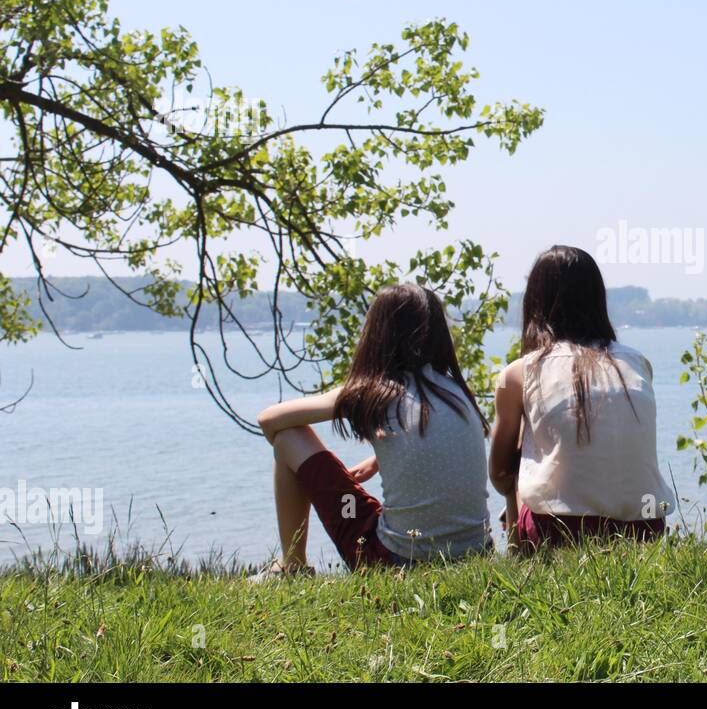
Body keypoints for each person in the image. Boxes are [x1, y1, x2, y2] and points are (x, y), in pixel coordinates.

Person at [254, 283, 491, 576]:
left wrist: (316, 478)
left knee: (287, 437)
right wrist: (381, 460)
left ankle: (292, 565)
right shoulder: (457, 392)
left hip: (393, 560)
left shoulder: (373, 391)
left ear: (377, 334)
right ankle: (293, 564)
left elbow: (269, 420)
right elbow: (437, 446)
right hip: (476, 552)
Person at [489, 245, 675, 550]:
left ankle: (521, 563)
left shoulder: (519, 373)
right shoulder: (638, 363)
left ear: (534, 303)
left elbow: (499, 474)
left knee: (524, 447)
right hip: (646, 527)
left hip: (560, 533)